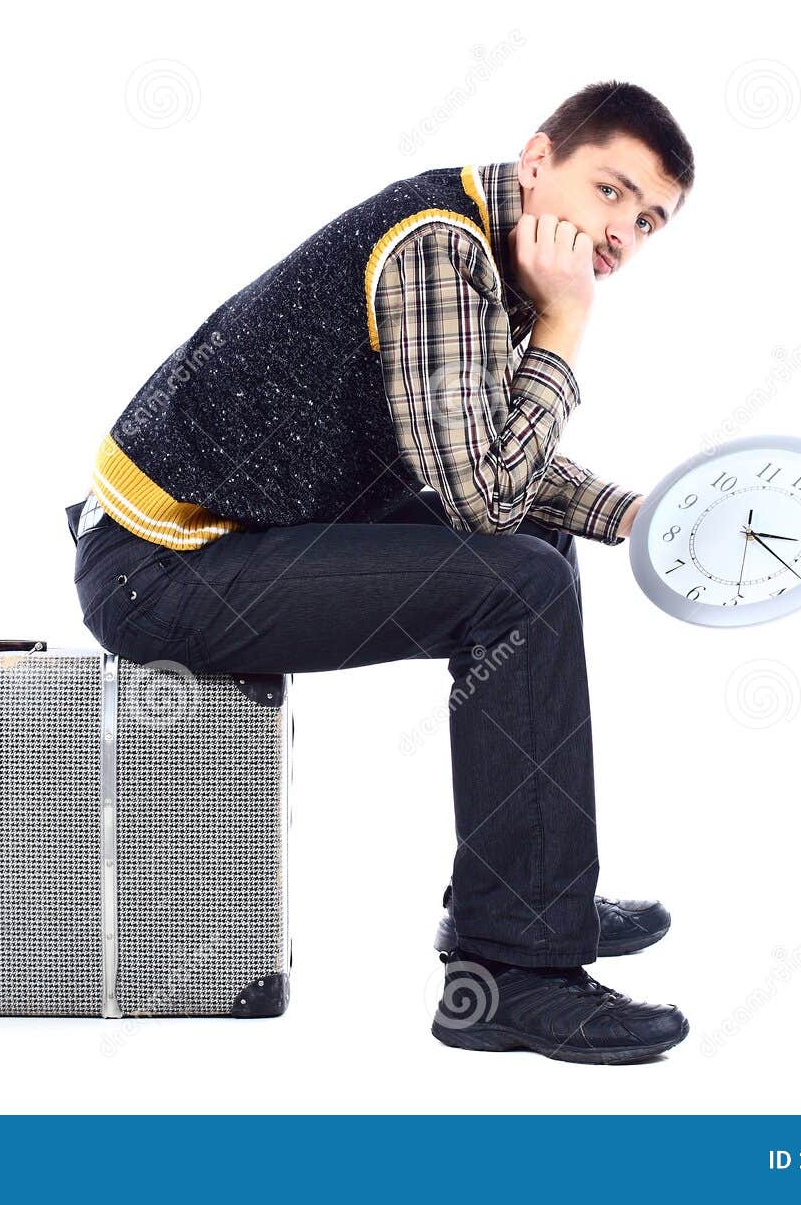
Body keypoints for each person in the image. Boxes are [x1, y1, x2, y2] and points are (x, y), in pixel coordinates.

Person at [65, 81, 694, 1063]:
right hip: (163, 563)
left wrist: (639, 517)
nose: (622, 233)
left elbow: (485, 463)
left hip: (238, 535)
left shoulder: (489, 249)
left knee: (536, 557)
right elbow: (483, 498)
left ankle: (527, 897)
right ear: (538, 161)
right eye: (610, 191)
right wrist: (567, 324)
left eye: (649, 221)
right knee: (514, 580)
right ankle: (512, 979)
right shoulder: (441, 248)